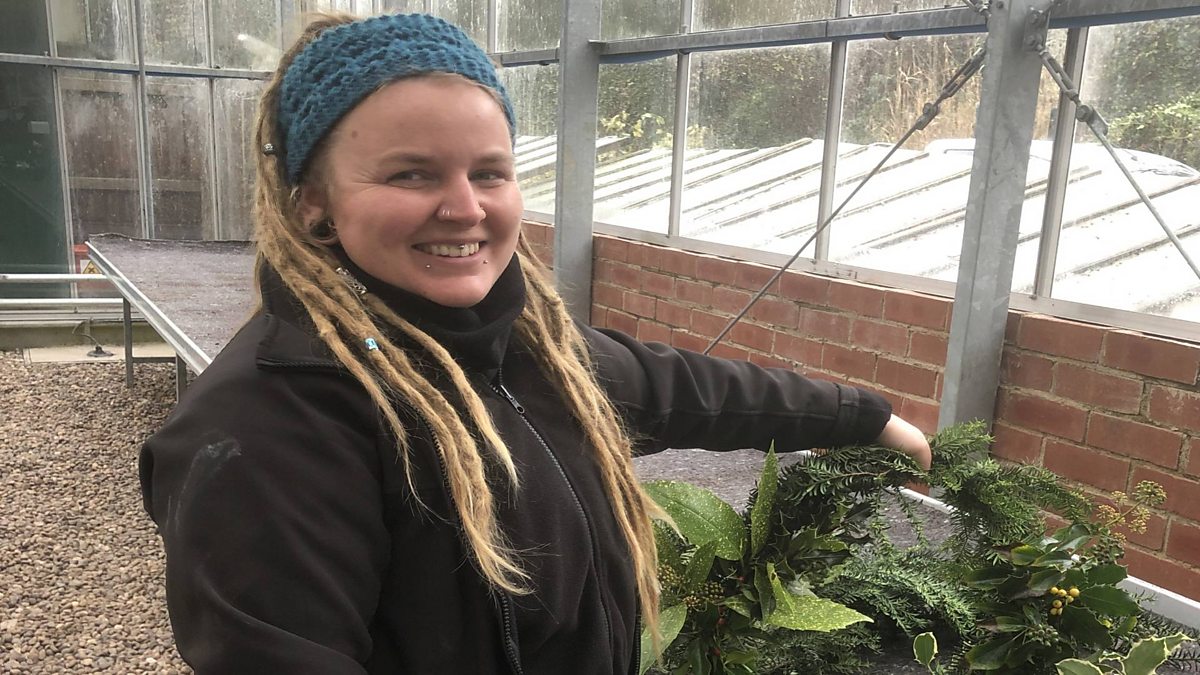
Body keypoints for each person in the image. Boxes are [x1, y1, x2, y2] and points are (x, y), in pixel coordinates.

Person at [138, 11, 933, 674]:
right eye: (410, 174)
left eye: (489, 172)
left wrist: (863, 416)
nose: (464, 207)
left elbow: (691, 390)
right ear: (313, 202)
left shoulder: (526, 351)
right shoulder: (263, 433)